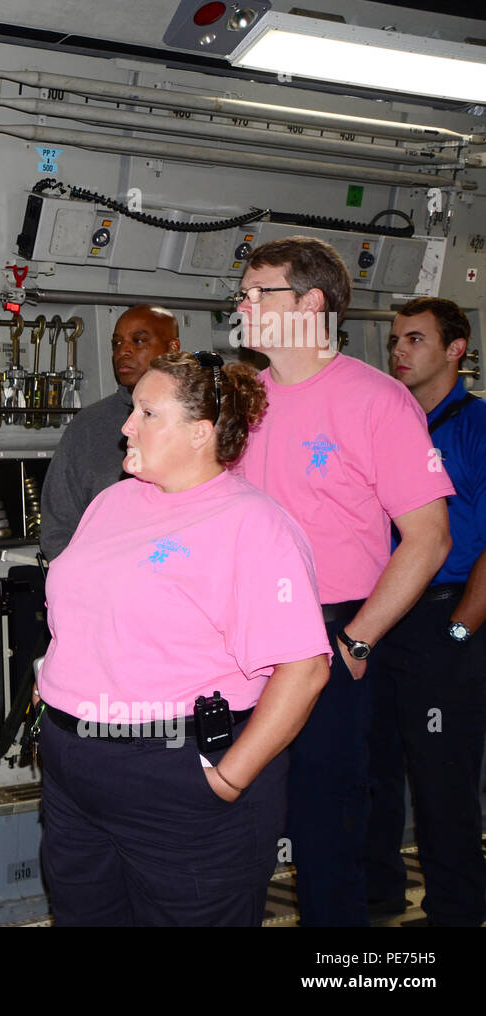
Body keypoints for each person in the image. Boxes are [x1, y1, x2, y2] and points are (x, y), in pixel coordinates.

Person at [36, 352, 332, 925]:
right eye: (132, 409)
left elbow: (306, 668)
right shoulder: (112, 502)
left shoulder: (253, 523)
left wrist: (227, 780)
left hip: (175, 775)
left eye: (147, 413)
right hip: (76, 772)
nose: (126, 425)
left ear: (200, 433)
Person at [233, 236, 453, 927]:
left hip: (332, 631)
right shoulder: (243, 403)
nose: (241, 305)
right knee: (239, 825)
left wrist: (356, 641)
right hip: (244, 637)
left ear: (310, 302)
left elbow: (428, 539)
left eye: (255, 292)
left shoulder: (376, 401)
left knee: (328, 829)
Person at [368, 297, 486, 926]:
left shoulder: (477, 428)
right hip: (382, 615)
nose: (399, 352)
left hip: (446, 615)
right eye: (394, 341)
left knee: (442, 783)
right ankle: (379, 895)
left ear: (455, 349)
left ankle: (457, 912)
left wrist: (463, 627)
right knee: (374, 765)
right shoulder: (389, 424)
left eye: (415, 340)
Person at [39, 304, 180, 559]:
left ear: (172, 348)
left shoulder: (200, 421)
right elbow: (57, 526)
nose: (123, 352)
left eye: (138, 341)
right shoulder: (89, 425)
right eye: (117, 343)